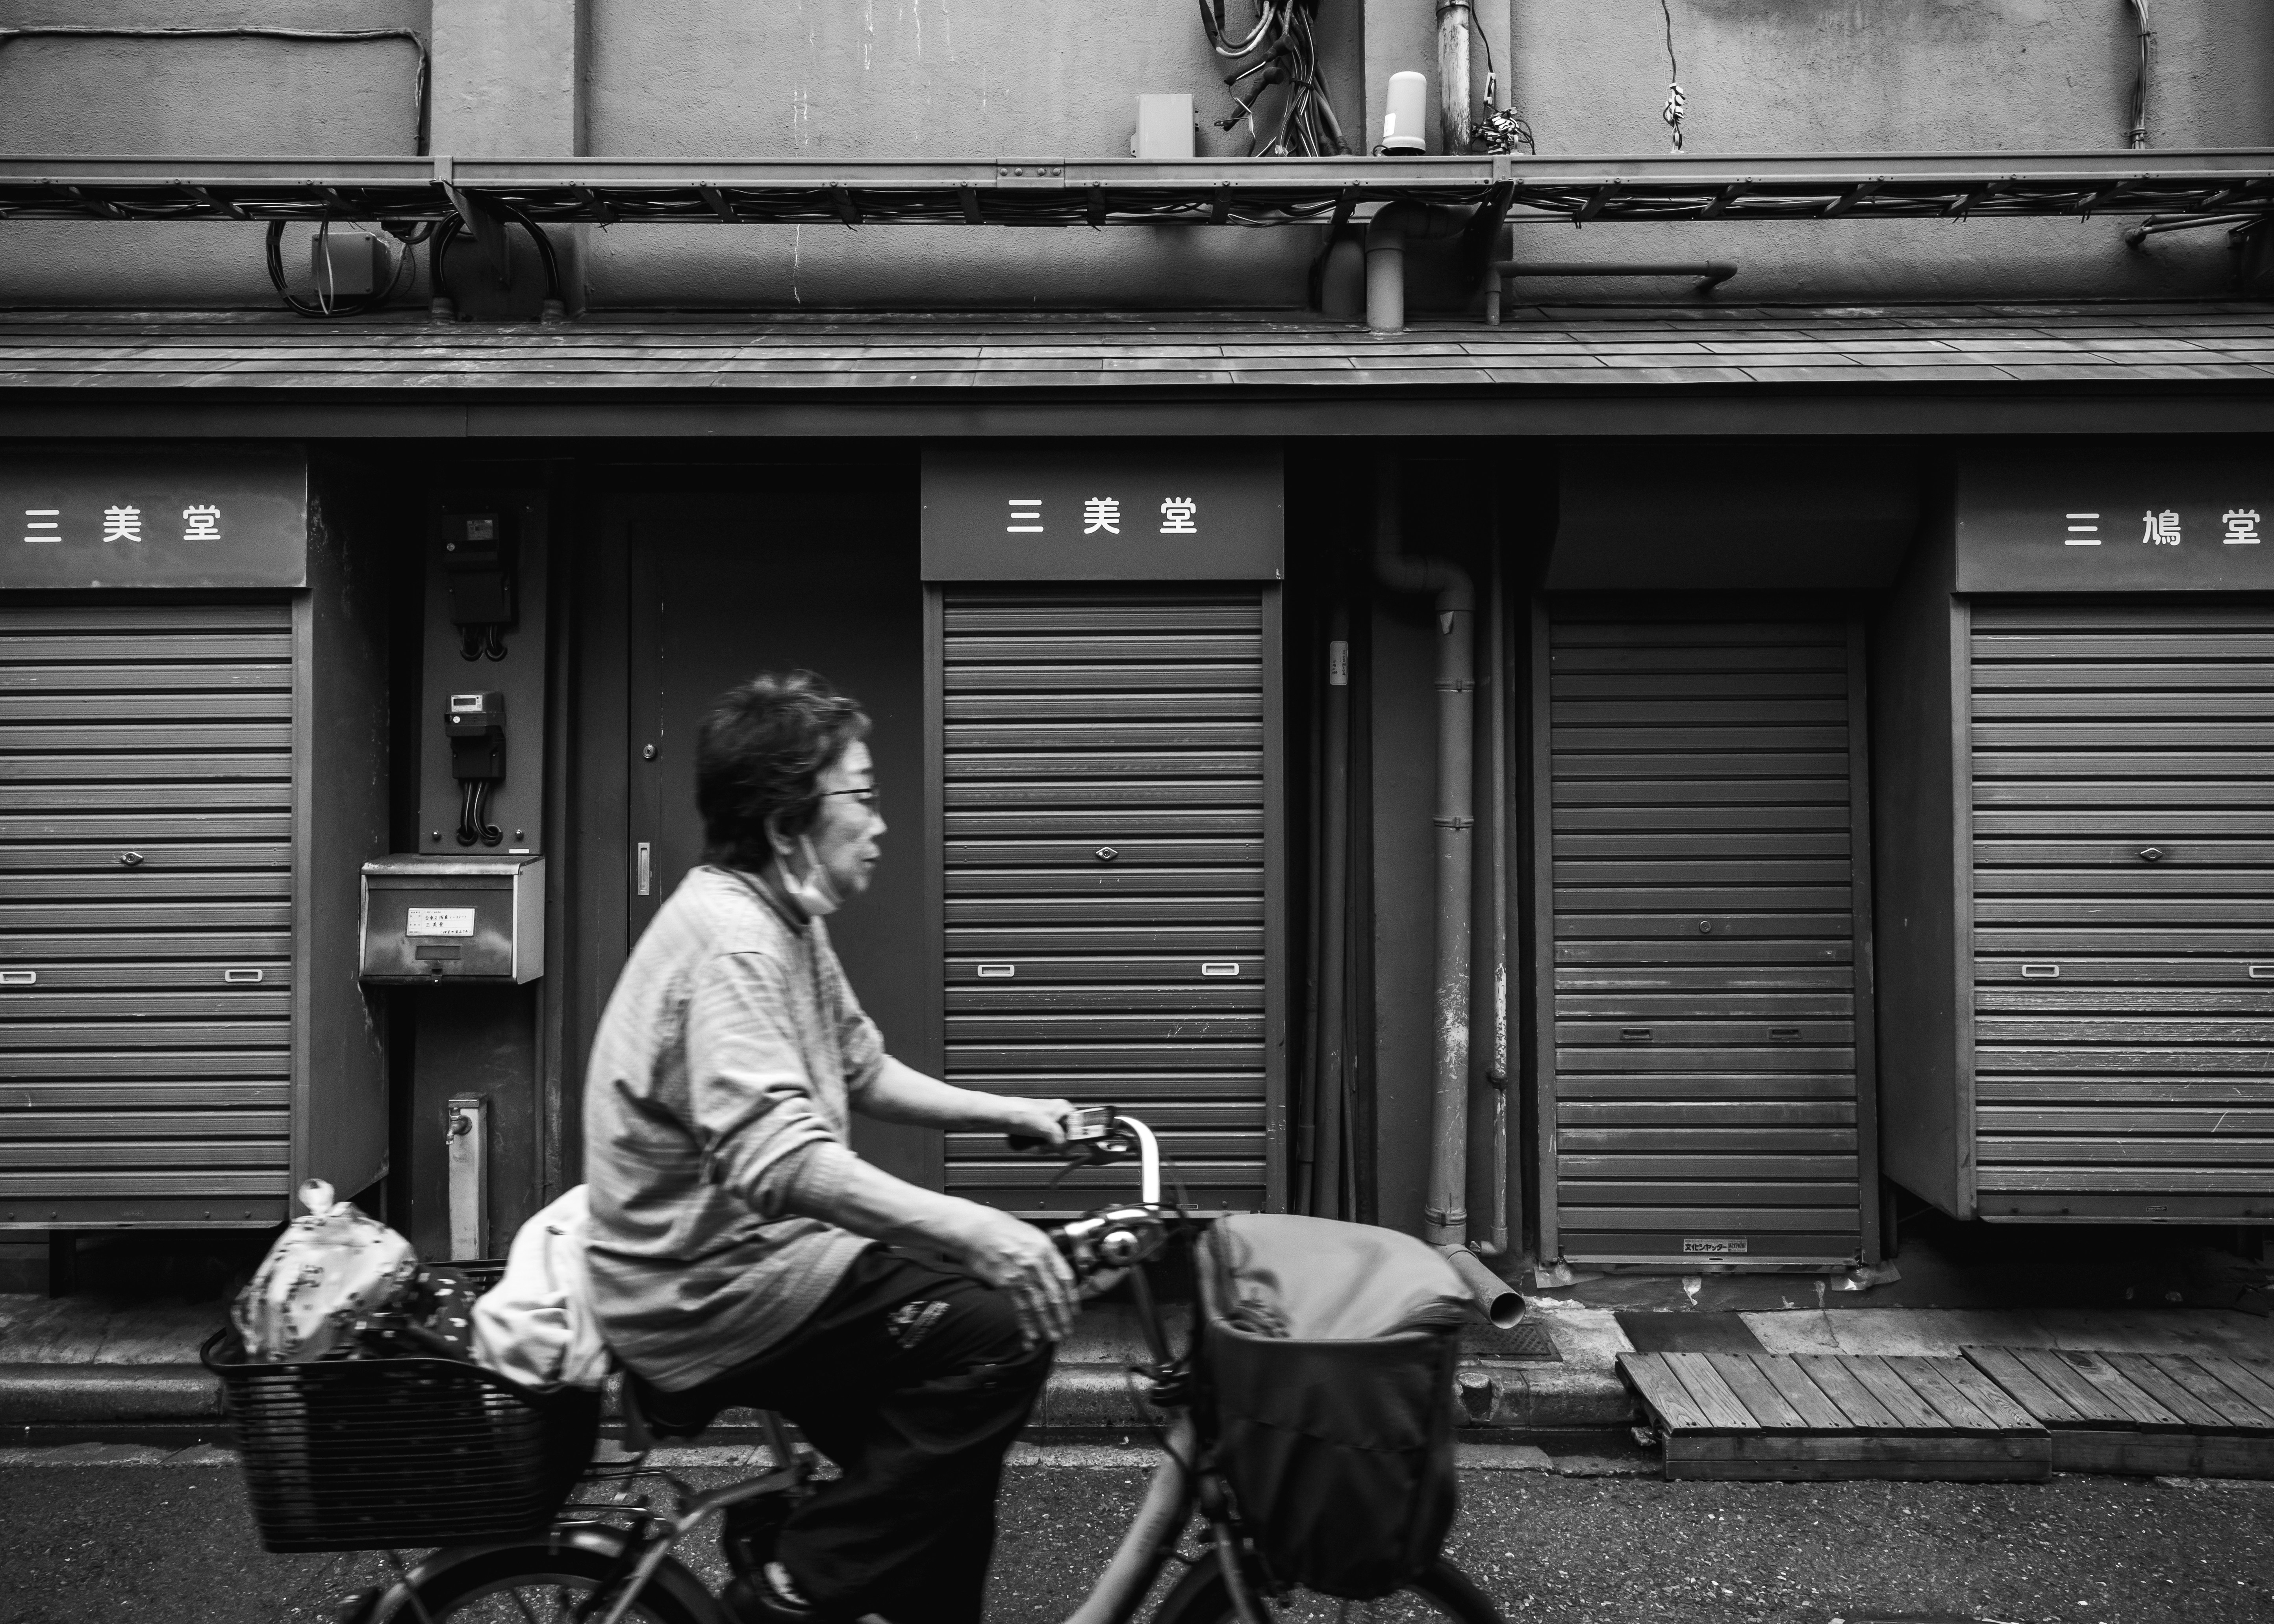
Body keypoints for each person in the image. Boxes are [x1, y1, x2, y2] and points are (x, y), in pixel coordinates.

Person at [582, 670, 1081, 1624]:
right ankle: (786, 1592)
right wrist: (979, 1229)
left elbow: (860, 1066)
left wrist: (1014, 1111)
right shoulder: (735, 943)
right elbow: (778, 1161)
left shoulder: (779, 916)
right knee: (1000, 1330)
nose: (882, 821)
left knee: (942, 1484)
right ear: (784, 824)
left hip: (758, 1265)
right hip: (712, 1287)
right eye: (862, 795)